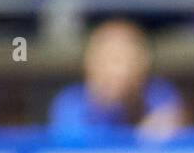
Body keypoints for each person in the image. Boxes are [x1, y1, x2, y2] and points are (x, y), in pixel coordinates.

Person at [49, 19, 186, 140]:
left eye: (127, 59)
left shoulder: (159, 95)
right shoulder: (71, 103)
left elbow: (169, 133)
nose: (119, 70)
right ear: (90, 63)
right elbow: (77, 151)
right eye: (111, 59)